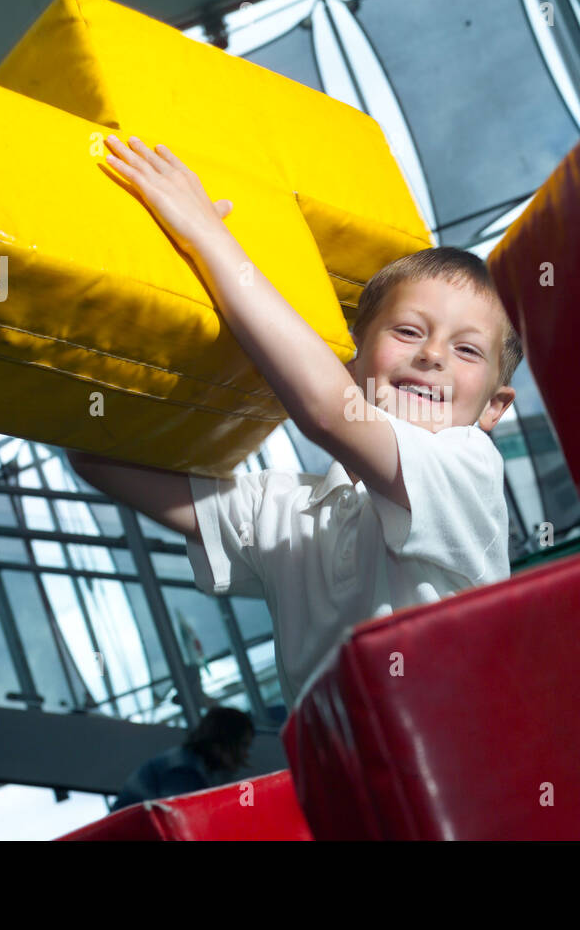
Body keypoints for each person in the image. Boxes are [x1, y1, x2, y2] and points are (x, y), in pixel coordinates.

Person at [67, 133, 522, 708]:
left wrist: (205, 234)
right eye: (408, 331)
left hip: (457, 779)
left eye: (467, 350)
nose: (431, 355)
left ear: (493, 408)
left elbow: (329, 409)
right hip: (340, 788)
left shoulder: (467, 468)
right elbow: (98, 458)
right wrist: (150, 294)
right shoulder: (280, 507)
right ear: (351, 357)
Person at [110, 707, 254, 812]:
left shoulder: (191, 766)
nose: (245, 755)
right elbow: (179, 822)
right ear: (224, 742)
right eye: (243, 745)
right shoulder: (182, 771)